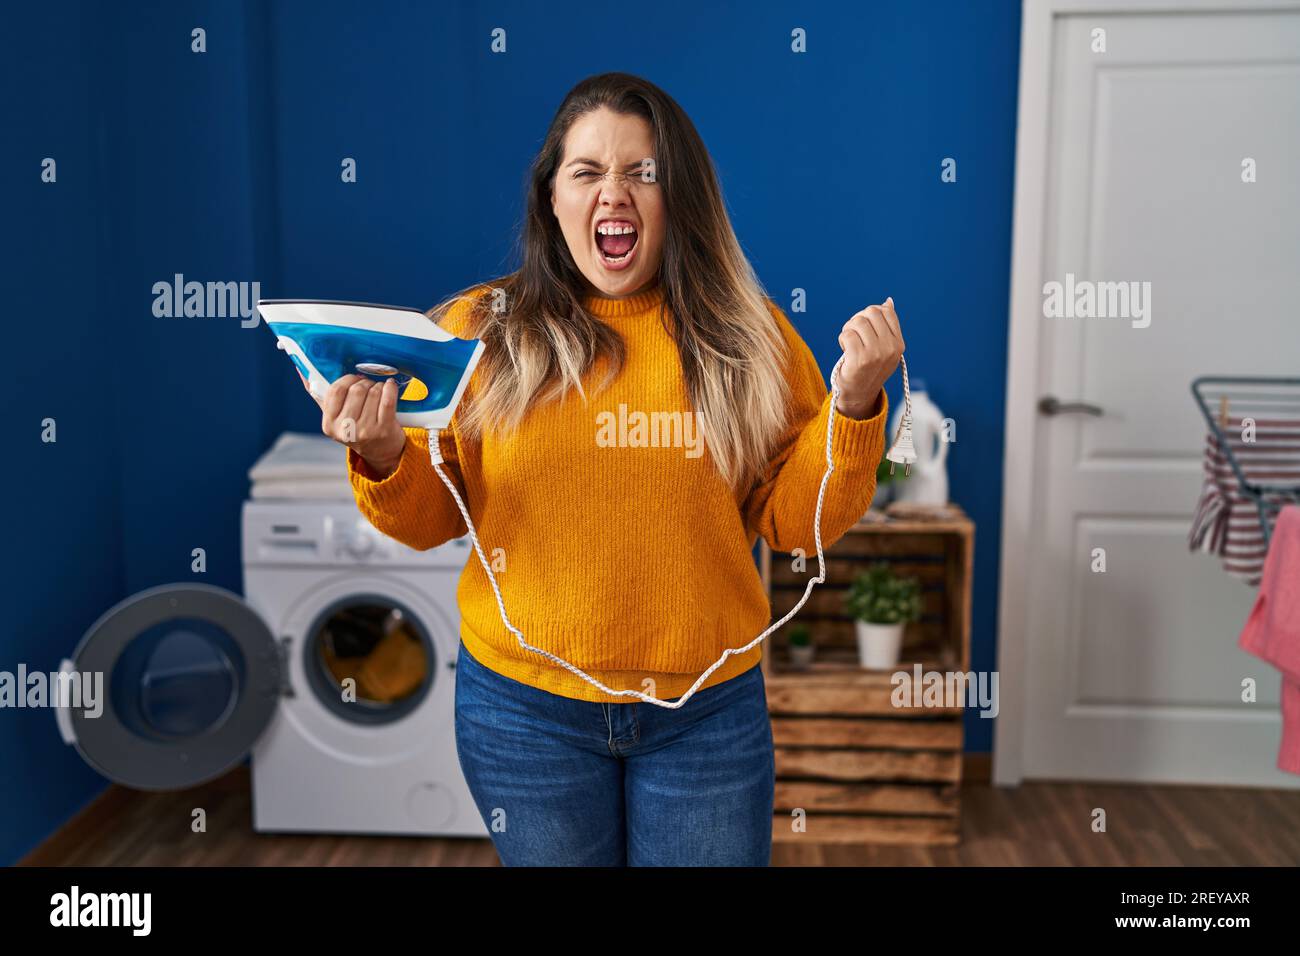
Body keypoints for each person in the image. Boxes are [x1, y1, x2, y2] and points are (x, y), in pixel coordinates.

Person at [307, 71, 904, 866]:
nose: (612, 194)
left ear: (679, 199)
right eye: (586, 172)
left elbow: (796, 524)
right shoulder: (480, 332)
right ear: (553, 199)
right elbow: (427, 523)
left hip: (705, 716)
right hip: (523, 716)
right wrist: (381, 453)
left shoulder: (749, 336)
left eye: (642, 173)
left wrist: (856, 404)